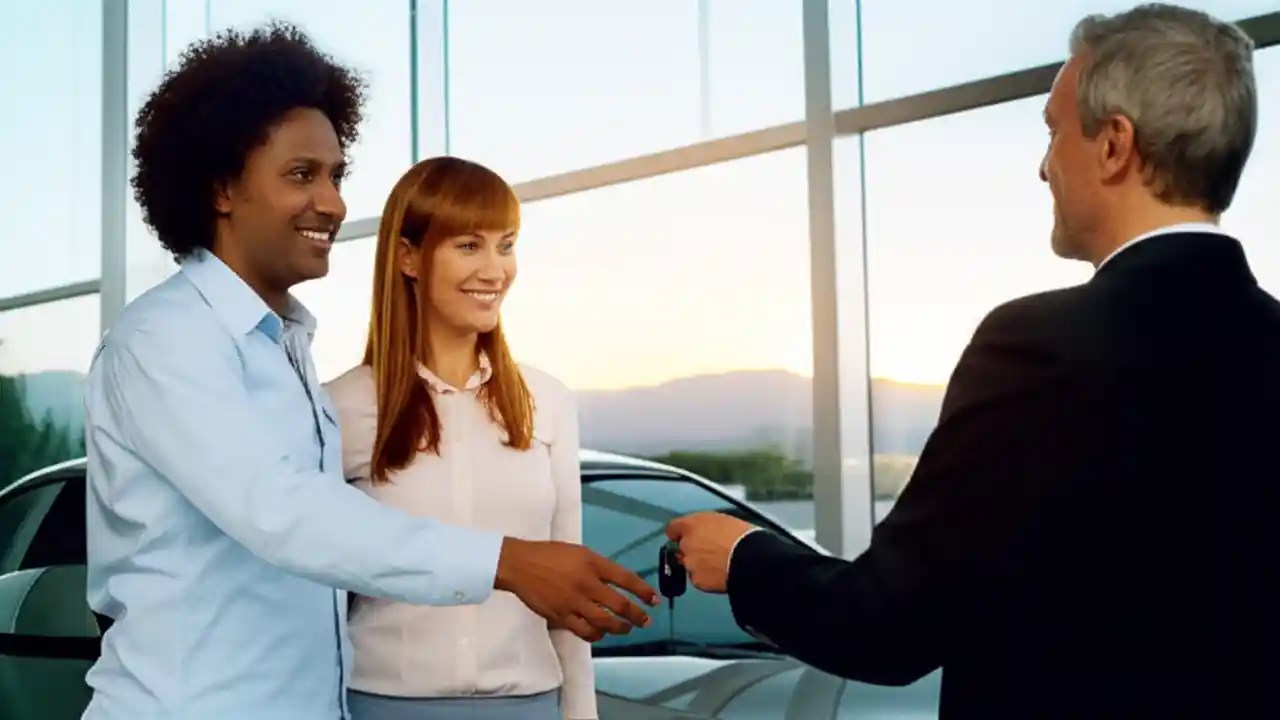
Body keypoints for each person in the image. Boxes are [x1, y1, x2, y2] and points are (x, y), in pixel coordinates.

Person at [666, 4, 1278, 718]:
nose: (1043, 166)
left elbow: (891, 624)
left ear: (1114, 145)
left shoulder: (1040, 347)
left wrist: (744, 561)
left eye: (1053, 132)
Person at [82, 23, 655, 720]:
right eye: (302, 175)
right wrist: (508, 562)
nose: (333, 202)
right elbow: (286, 516)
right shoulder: (164, 341)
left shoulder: (281, 350)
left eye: (335, 175)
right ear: (223, 188)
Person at [324, 156, 593, 719]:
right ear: (408, 257)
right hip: (382, 706)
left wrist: (580, 714)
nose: (496, 270)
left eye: (506, 244)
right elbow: (310, 598)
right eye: (469, 246)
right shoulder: (339, 408)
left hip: (530, 705)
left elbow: (570, 593)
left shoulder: (549, 401)